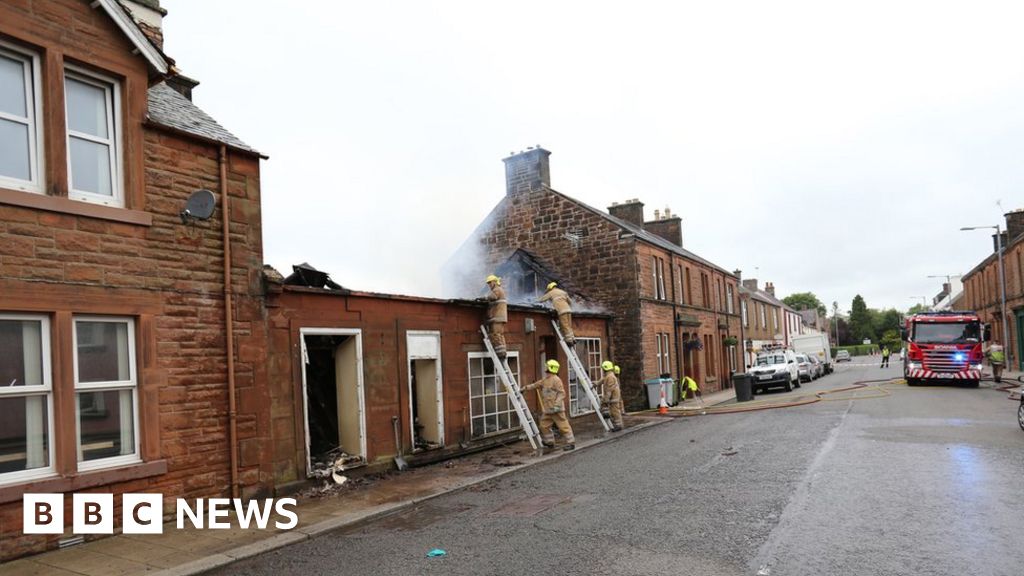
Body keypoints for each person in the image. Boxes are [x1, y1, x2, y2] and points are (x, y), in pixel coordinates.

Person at [522, 359, 575, 450]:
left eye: (547, 366)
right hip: (548, 410)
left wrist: (557, 405)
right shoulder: (545, 380)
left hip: (556, 409)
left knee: (563, 426)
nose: (545, 367)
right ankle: (550, 442)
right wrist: (525, 388)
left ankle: (571, 443)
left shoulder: (556, 380)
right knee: (543, 425)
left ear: (551, 368)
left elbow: (561, 393)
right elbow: (535, 385)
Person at [539, 282, 575, 347]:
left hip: (561, 311)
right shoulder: (563, 292)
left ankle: (569, 341)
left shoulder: (551, 292)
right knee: (569, 325)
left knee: (564, 325)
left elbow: (542, 299)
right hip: (568, 310)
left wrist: (536, 300)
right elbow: (570, 302)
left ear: (550, 288)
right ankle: (572, 338)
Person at [485, 275, 507, 359]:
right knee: (500, 335)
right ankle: (502, 352)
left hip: (497, 316)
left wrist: (485, 298)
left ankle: (500, 354)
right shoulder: (499, 290)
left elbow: (492, 297)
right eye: (488, 283)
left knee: (496, 334)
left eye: (490, 283)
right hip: (499, 317)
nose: (489, 285)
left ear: (495, 282)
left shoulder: (497, 290)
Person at [598, 361, 623, 431]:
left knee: (615, 412)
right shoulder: (609, 376)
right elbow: (603, 380)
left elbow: (609, 390)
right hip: (613, 397)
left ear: (605, 369)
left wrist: (606, 399)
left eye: (603, 368)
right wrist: (597, 383)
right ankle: (607, 415)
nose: (602, 370)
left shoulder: (610, 377)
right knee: (612, 410)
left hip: (614, 397)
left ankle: (619, 425)